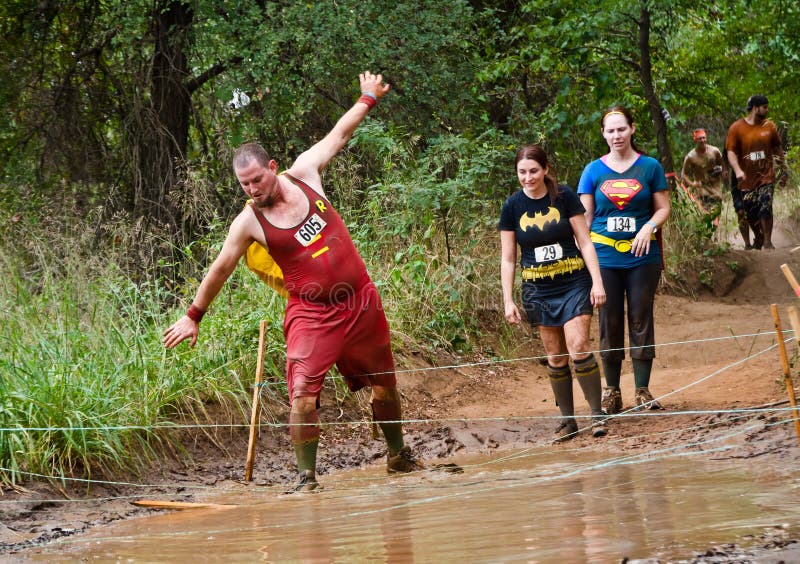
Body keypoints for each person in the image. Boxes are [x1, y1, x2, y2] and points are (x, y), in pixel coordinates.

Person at [163, 71, 423, 491]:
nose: (252, 189)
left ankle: (398, 455)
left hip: (361, 301)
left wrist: (367, 98)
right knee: (302, 395)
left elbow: (339, 134)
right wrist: (194, 316)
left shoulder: (306, 173)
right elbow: (221, 267)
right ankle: (307, 479)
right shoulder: (249, 220)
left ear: (272, 168)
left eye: (257, 180)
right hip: (312, 313)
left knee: (385, 387)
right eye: (244, 185)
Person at [500, 145, 608, 441]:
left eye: (533, 171)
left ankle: (597, 414)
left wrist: (597, 283)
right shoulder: (512, 207)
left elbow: (585, 242)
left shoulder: (564, 196)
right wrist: (508, 299)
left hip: (573, 281)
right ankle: (567, 421)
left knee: (579, 346)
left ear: (545, 169)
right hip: (537, 287)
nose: (528, 177)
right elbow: (508, 257)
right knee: (555, 355)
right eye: (522, 172)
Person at [577, 106, 671, 415]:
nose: (616, 135)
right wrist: (580, 255)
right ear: (603, 134)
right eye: (610, 130)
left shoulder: (650, 167)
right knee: (609, 320)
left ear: (632, 129)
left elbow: (663, 208)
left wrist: (649, 227)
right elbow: (585, 218)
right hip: (604, 256)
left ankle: (642, 390)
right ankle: (611, 392)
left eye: (621, 129)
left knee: (641, 317)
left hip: (643, 255)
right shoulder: (592, 171)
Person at [726, 95, 787, 250]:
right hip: (746, 179)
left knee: (766, 206)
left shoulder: (770, 126)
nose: (767, 110)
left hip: (767, 175)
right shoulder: (736, 128)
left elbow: (777, 149)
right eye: (764, 107)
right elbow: (731, 152)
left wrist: (783, 170)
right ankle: (758, 238)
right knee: (751, 213)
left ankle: (768, 241)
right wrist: (738, 170)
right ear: (755, 108)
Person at [680, 128, 726, 233]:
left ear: (706, 138)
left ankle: (712, 234)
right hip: (701, 189)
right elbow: (683, 174)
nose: (702, 140)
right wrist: (693, 184)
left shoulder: (714, 151)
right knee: (705, 214)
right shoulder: (690, 156)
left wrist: (722, 170)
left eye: (704, 138)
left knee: (716, 213)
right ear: (695, 140)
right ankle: (707, 237)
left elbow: (724, 164)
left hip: (715, 188)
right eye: (699, 138)